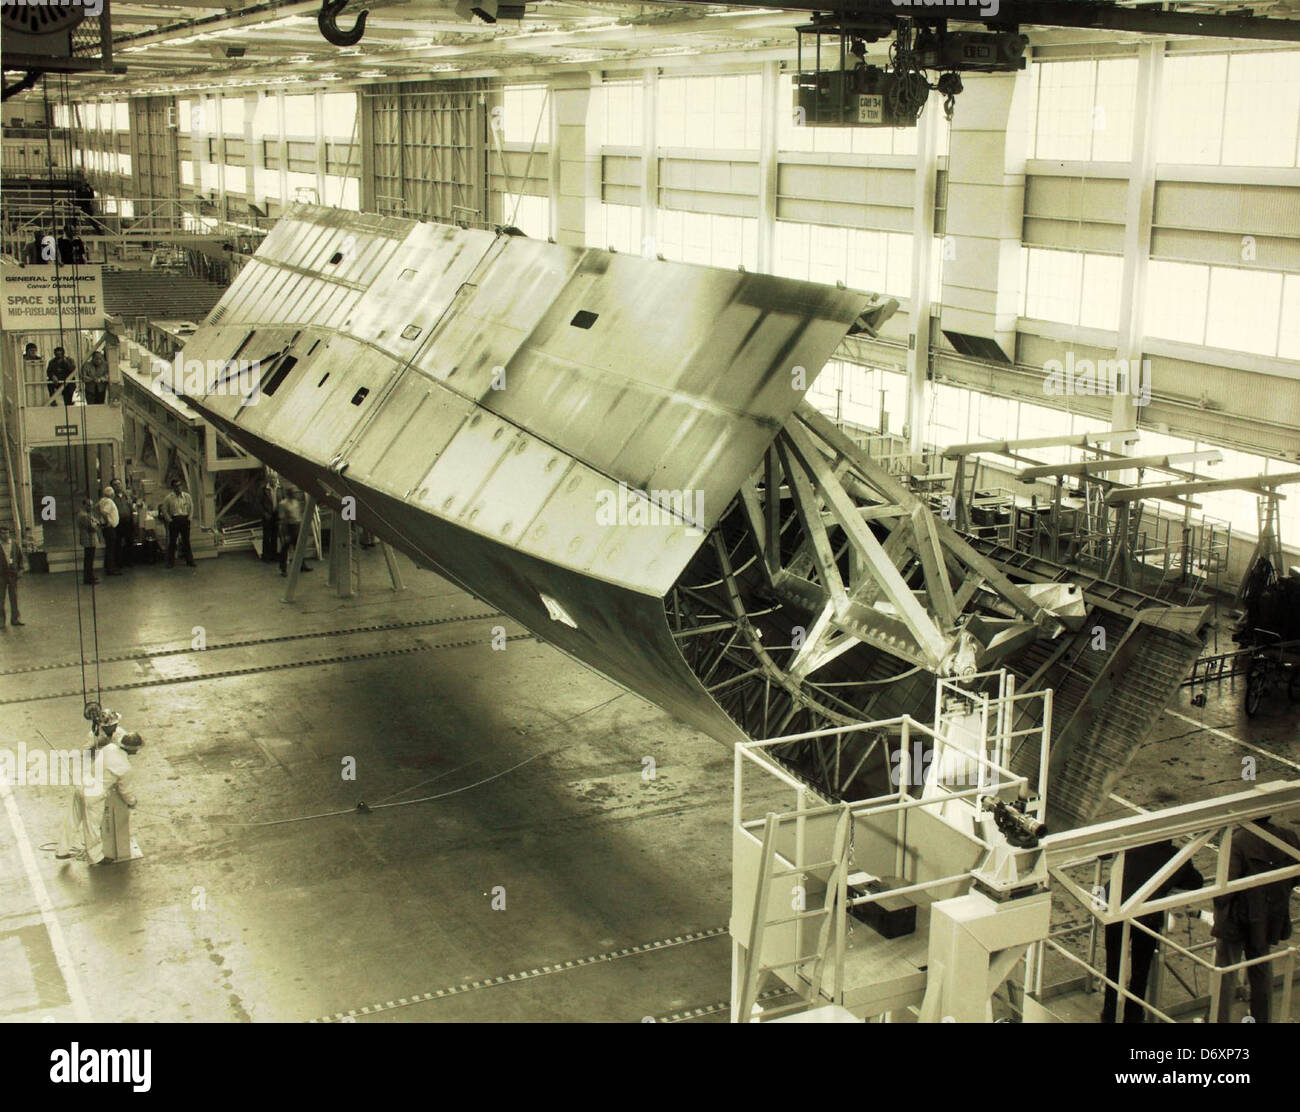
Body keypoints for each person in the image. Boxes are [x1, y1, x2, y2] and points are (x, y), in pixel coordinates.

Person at [1100, 840, 1203, 1023]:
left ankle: (1109, 1015)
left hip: (1115, 908)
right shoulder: (1175, 856)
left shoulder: (1133, 843)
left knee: (1114, 965)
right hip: (1146, 917)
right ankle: (1133, 1016)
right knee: (1140, 970)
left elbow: (1103, 854)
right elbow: (1196, 881)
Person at [1212, 817, 1300, 1023]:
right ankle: (1262, 1018)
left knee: (1225, 973)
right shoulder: (1288, 837)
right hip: (1268, 917)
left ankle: (1219, 1019)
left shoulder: (1238, 840)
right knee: (1261, 969)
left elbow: (1225, 889)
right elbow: (1295, 875)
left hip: (1236, 919)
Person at [56, 714, 140, 866]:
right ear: (133, 749)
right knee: (92, 826)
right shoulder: (126, 768)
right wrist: (132, 802)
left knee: (72, 819)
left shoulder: (109, 748)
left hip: (82, 784)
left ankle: (61, 850)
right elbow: (125, 791)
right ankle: (96, 857)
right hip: (94, 794)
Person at [159, 477, 196, 568]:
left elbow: (191, 507)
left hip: (185, 519)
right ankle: (170, 562)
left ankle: (190, 561)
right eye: (176, 486)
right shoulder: (168, 498)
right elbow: (164, 510)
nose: (179, 488)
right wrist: (169, 520)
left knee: (186, 541)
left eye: (180, 485)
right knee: (172, 542)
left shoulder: (187, 496)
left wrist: (189, 518)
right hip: (174, 520)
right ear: (173, 488)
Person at [276, 488, 313, 577]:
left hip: (296, 525)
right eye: (291, 493)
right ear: (287, 494)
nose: (293, 495)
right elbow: (281, 518)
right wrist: (285, 533)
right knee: (285, 548)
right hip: (288, 526)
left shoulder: (296, 503)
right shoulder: (283, 504)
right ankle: (283, 569)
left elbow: (298, 515)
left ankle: (302, 565)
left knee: (299, 546)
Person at [0, 524, 23, 627]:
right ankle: (1, 621)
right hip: (1, 576)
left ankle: (15, 619)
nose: (5, 535)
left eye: (7, 533)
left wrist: (21, 569)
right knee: (1, 599)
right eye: (3, 533)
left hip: (13, 575)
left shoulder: (14, 544)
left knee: (14, 598)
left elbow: (20, 557)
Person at [75, 498, 101, 586]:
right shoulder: (84, 516)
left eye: (91, 505)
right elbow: (92, 527)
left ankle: (90, 576)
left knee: (89, 559)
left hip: (89, 539)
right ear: (84, 505)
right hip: (88, 539)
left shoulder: (86, 514)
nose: (91, 507)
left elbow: (95, 522)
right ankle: (88, 577)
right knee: (89, 559)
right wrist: (96, 524)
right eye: (89, 505)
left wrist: (96, 523)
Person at [97, 486, 122, 576]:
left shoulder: (102, 500)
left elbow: (97, 508)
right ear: (112, 494)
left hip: (106, 527)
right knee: (111, 548)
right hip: (109, 528)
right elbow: (104, 512)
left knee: (109, 547)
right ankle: (111, 568)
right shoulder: (109, 501)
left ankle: (108, 566)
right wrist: (108, 521)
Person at [111, 478, 134, 568]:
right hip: (118, 522)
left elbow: (131, 506)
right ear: (112, 487)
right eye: (115, 485)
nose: (118, 486)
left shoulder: (126, 495)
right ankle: (119, 563)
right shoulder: (112, 498)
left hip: (128, 521)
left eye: (119, 484)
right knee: (118, 542)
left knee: (129, 541)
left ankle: (129, 561)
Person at [259, 473, 279, 564]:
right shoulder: (263, 489)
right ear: (268, 479)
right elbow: (259, 503)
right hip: (267, 515)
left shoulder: (279, 489)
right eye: (272, 478)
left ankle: (273, 555)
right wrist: (264, 513)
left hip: (276, 515)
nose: (274, 480)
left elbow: (282, 500)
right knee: (267, 536)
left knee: (275, 536)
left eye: (275, 478)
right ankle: (266, 556)